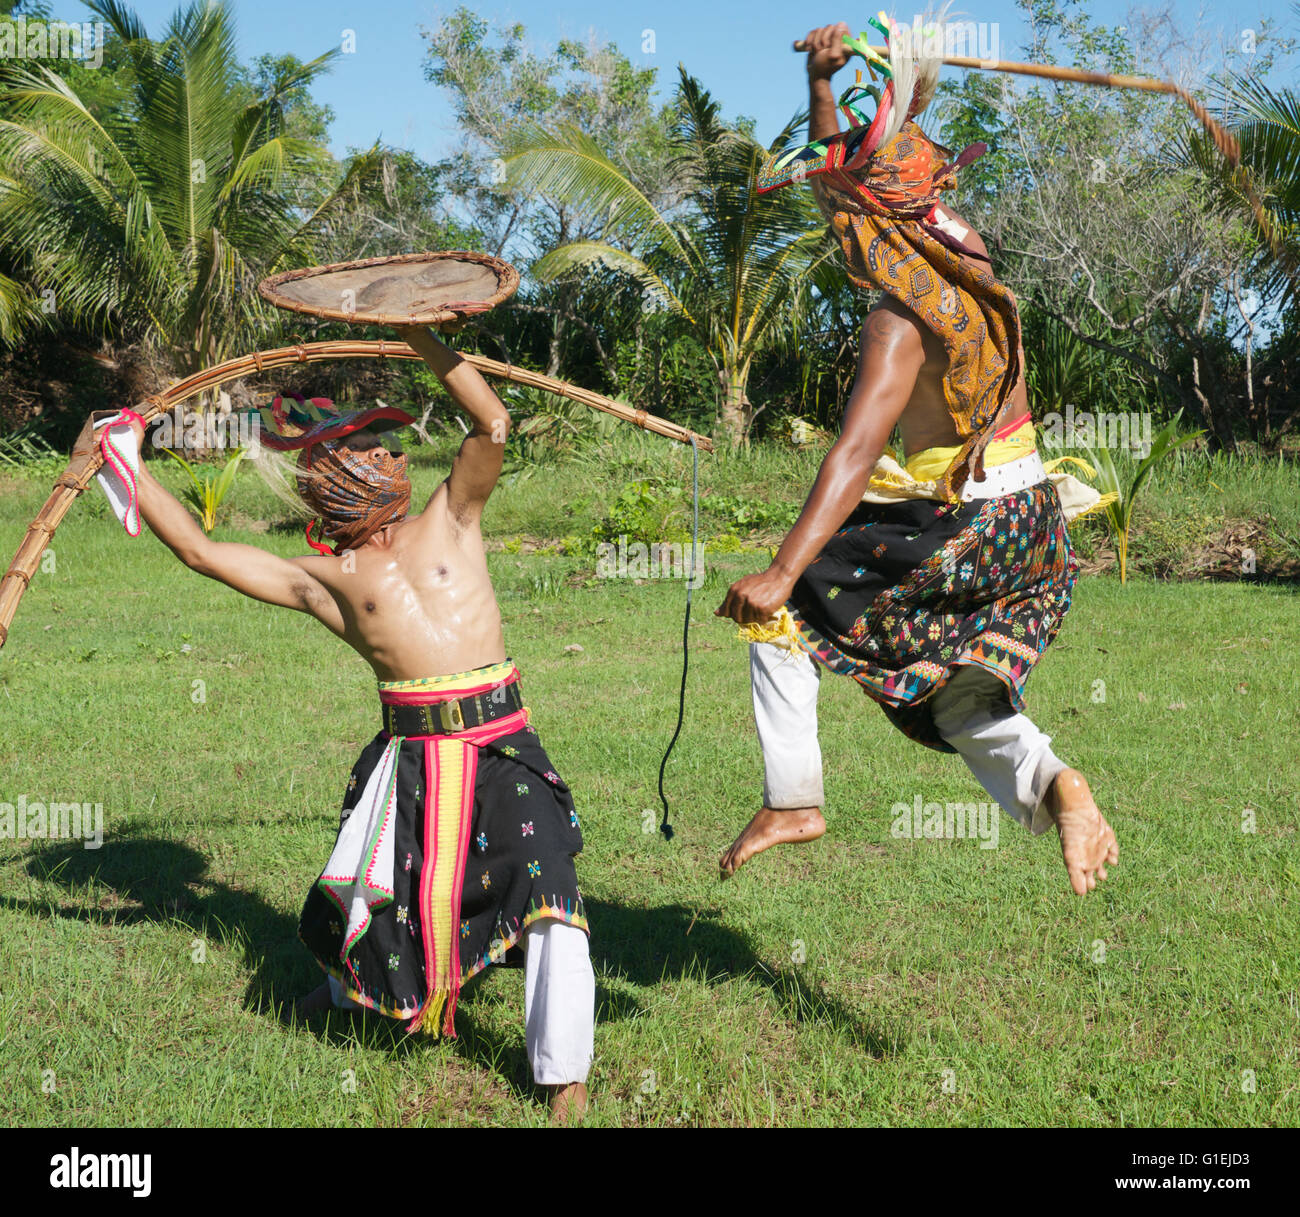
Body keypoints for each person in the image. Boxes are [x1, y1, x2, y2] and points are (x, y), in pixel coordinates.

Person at [104, 322, 594, 1119]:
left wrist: (419, 336)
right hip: (410, 756)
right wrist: (123, 458)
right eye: (364, 450)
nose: (387, 460)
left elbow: (492, 424)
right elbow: (199, 550)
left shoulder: (453, 518)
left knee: (548, 889)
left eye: (387, 446)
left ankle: (561, 1071)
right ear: (325, 477)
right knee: (373, 887)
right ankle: (343, 991)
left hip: (500, 746)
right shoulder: (321, 581)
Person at [715, 20, 1119, 896]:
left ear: (874, 227)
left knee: (779, 616)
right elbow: (856, 173)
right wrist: (827, 82)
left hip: (969, 522)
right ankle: (1061, 789)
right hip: (1032, 523)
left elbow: (856, 451)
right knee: (960, 697)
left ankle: (793, 798)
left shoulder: (899, 319)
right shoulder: (954, 240)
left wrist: (785, 570)